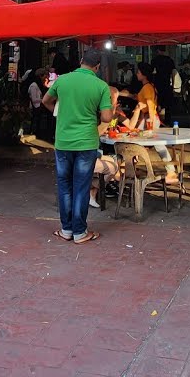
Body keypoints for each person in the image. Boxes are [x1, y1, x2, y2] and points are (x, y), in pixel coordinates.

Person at [41, 48, 113, 244]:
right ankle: (80, 232)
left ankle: (66, 230)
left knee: (64, 185)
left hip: (63, 141)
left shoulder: (62, 80)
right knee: (81, 187)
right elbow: (106, 117)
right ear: (97, 67)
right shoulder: (101, 86)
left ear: (81, 60)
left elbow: (45, 101)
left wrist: (59, 114)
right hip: (86, 142)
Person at [151, 47, 177, 112]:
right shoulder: (170, 60)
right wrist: (173, 85)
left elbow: (152, 72)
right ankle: (168, 120)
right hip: (167, 83)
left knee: (158, 102)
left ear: (158, 50)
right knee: (167, 104)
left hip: (158, 83)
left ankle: (159, 118)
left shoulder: (154, 60)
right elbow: (173, 73)